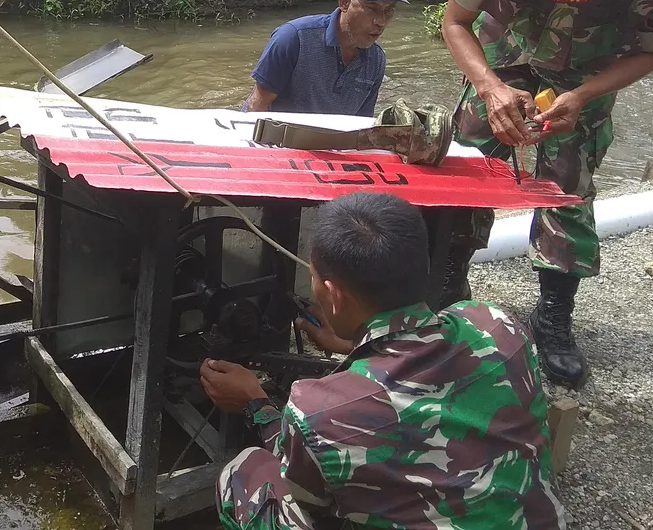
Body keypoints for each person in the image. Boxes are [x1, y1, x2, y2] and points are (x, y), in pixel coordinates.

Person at [440, 0, 653, 387]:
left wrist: (583, 95)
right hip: (500, 59)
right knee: (464, 173)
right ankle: (444, 284)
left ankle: (553, 316)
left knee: (566, 189)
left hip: (587, 74)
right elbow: (455, 20)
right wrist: (489, 87)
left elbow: (651, 52)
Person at [201, 192, 564, 529]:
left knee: (242, 473)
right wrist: (353, 344)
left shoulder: (316, 412)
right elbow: (424, 352)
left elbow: (304, 491)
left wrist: (256, 403)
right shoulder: (498, 325)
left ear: (332, 295)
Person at [242, 0, 407, 117]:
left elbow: (361, 125)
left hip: (330, 145)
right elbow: (256, 109)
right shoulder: (293, 39)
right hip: (279, 143)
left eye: (389, 10)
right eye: (372, 8)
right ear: (344, 2)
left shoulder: (376, 60)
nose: (382, 21)